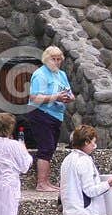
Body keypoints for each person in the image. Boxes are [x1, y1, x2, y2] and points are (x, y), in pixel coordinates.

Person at [25, 46, 75, 192]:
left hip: (56, 115)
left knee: (51, 148)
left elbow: (69, 92)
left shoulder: (61, 74)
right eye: (54, 59)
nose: (57, 62)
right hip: (41, 113)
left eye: (59, 59)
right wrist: (55, 97)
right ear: (46, 59)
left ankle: (46, 181)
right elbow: (34, 97)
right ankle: (41, 183)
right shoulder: (40, 74)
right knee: (45, 147)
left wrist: (69, 98)